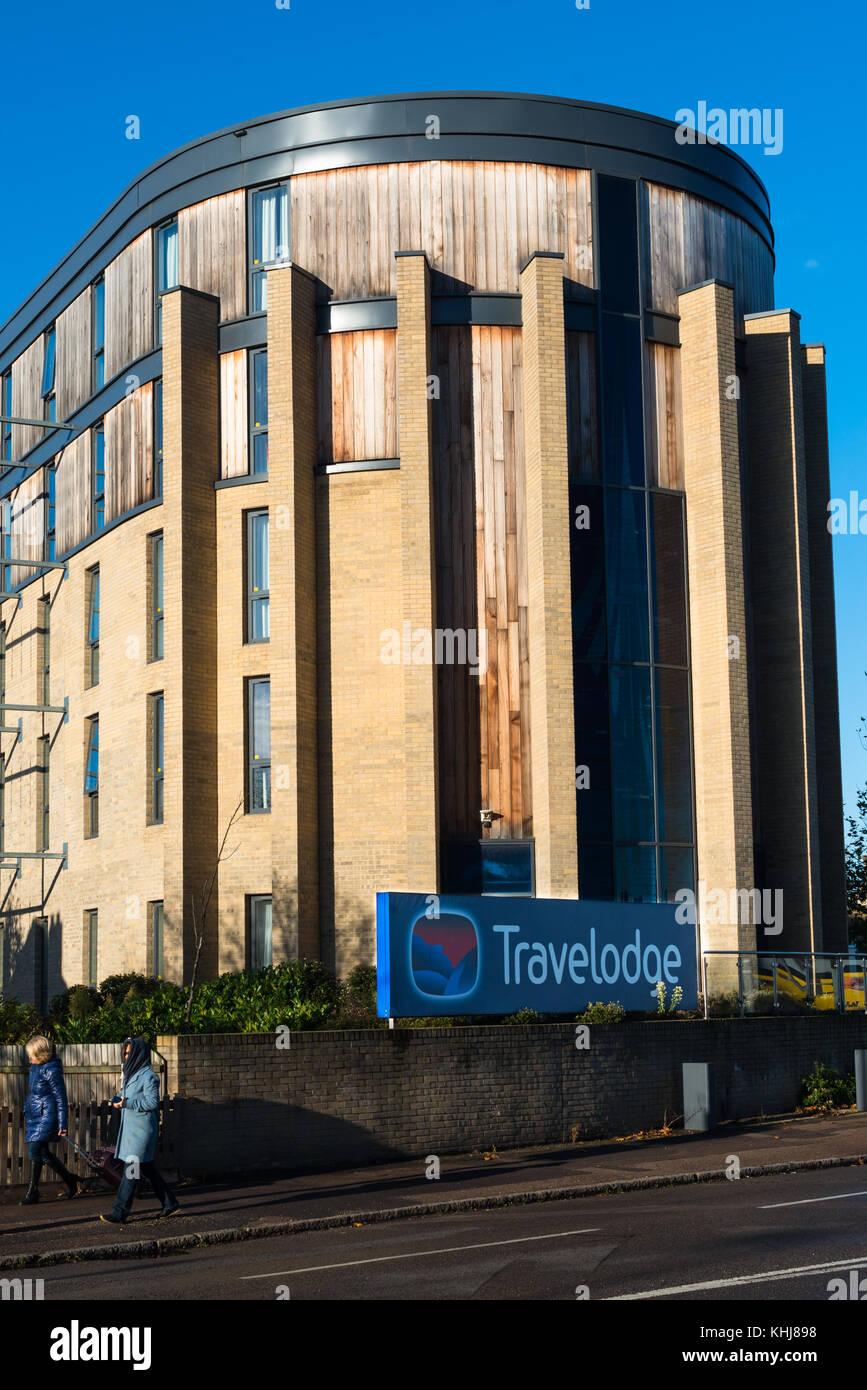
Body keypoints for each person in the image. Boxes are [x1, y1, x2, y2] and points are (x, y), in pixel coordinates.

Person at [100, 1036, 180, 1224]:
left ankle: (120, 1212)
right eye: (124, 1053)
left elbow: (152, 1102)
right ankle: (170, 1203)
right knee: (147, 1169)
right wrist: (118, 1099)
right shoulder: (130, 1075)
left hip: (142, 1132)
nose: (126, 1056)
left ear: (138, 1053)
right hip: (131, 1133)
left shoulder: (149, 1076)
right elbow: (127, 1096)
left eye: (129, 1053)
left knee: (131, 1172)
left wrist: (127, 1102)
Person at [20, 1035, 79, 1204]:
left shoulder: (52, 1070)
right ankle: (70, 1179)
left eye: (31, 1054)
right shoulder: (35, 1068)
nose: (29, 1057)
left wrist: (62, 1124)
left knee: (34, 1150)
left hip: (47, 1116)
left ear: (41, 1054)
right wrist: (26, 1109)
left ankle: (32, 1192)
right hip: (35, 1115)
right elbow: (33, 1093)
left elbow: (61, 1098)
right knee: (44, 1154)